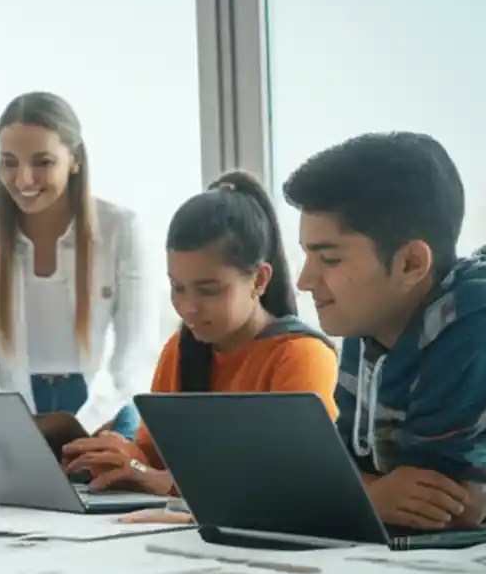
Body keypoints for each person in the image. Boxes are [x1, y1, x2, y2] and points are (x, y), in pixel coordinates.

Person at [63, 171, 338, 496]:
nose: (188, 307)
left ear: (259, 280)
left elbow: (291, 481)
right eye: (177, 288)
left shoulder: (300, 355)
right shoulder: (180, 349)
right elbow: (152, 456)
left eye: (209, 290)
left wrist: (156, 478)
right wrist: (117, 457)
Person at [284, 132, 486, 529]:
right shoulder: (369, 326)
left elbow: (443, 509)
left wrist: (359, 491)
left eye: (329, 259)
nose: (304, 280)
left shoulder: (480, 338)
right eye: (306, 255)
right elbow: (347, 465)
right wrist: (366, 492)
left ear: (410, 264)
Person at [0, 92, 154, 438]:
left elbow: (132, 359)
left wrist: (83, 424)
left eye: (42, 162)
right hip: (13, 414)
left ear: (74, 160)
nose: (23, 180)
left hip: (106, 412)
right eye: (10, 162)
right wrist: (0, 433)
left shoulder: (122, 229)